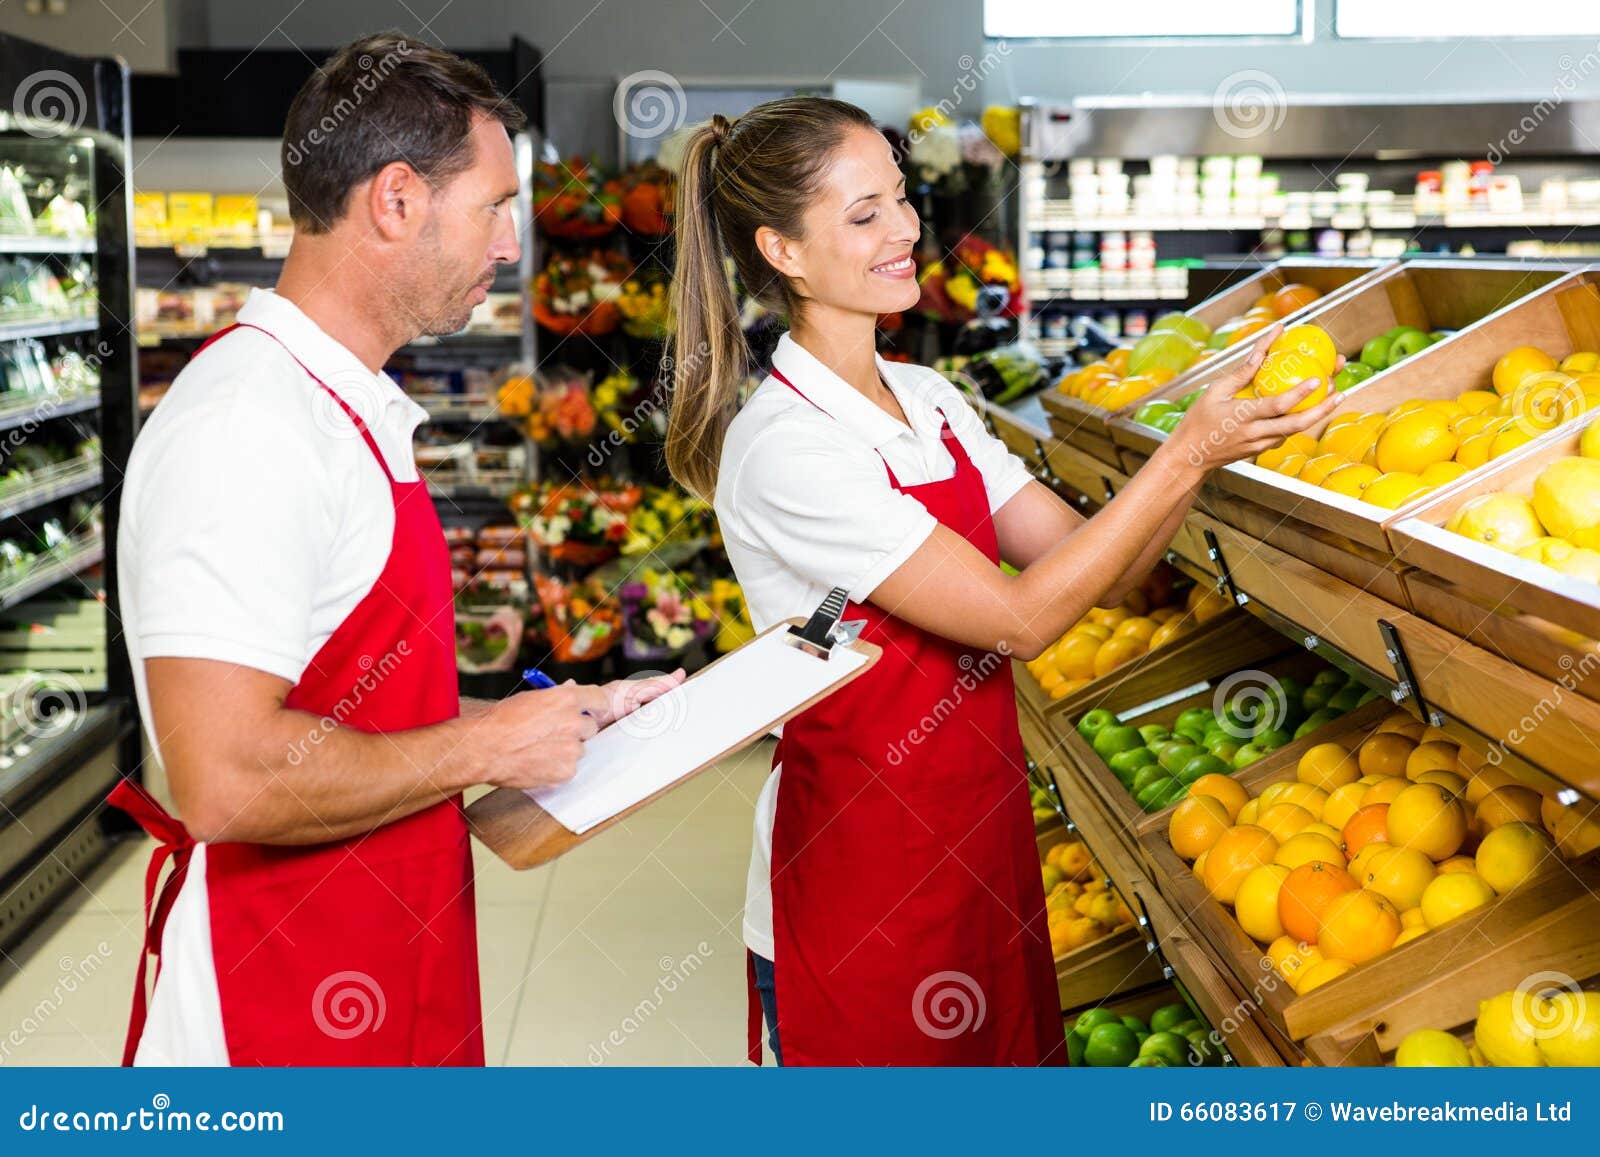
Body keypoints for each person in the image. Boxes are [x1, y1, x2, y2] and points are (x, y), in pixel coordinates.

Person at [665, 97, 1338, 1066]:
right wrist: (1189, 451)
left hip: (982, 846)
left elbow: (1100, 566)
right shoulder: (786, 445)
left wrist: (1222, 440)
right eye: (865, 215)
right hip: (859, 879)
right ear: (783, 250)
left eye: (900, 199)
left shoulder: (931, 400)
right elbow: (1020, 617)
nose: (906, 231)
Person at [110, 34, 680, 1067]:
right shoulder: (249, 425)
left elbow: (348, 709)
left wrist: (533, 722)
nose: (510, 246)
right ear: (398, 200)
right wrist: (484, 749)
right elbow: (227, 780)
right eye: (495, 206)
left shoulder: (345, 406)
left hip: (386, 954)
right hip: (270, 1000)